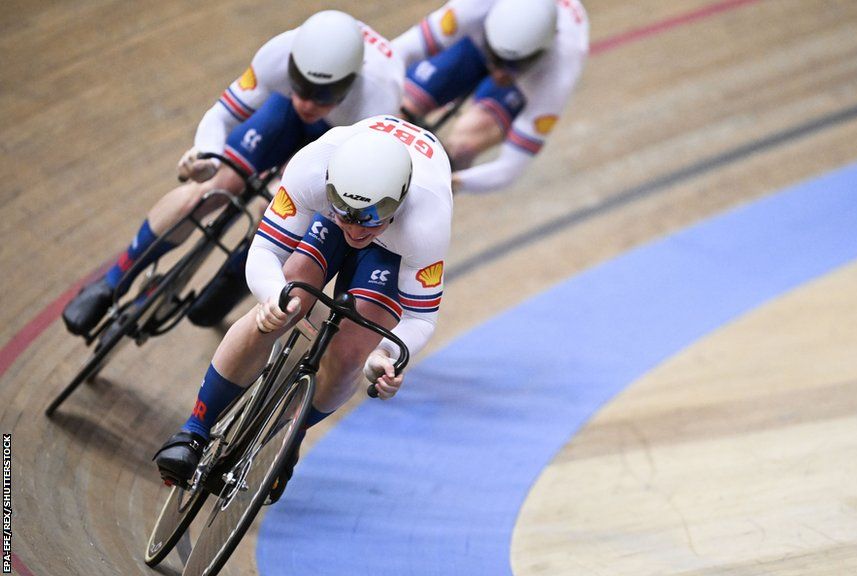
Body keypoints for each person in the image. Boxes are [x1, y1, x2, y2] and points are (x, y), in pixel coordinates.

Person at [154, 115, 452, 503]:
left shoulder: (425, 223)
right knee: (287, 303)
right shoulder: (311, 169)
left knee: (349, 355)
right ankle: (194, 429)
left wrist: (387, 354)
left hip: (392, 251)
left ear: (397, 203)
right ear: (330, 188)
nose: (356, 229)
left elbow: (420, 317)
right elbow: (264, 251)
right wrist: (274, 297)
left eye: (369, 218)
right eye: (346, 211)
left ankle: (289, 433)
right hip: (325, 217)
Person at [62, 10, 404, 335]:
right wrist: (205, 156)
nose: (308, 103)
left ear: (349, 84)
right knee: (213, 188)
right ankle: (110, 282)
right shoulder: (278, 53)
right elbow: (222, 115)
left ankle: (235, 277)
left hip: (340, 144)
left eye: (324, 95)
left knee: (280, 213)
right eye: (299, 85)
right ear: (293, 66)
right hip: (281, 118)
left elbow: (347, 180)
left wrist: (282, 193)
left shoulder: (378, 96)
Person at [391, 0, 589, 194]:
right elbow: (393, 54)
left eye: (512, 65)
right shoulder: (473, 7)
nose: (498, 73)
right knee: (402, 106)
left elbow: (509, 170)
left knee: (463, 148)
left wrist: (448, 182)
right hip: (476, 46)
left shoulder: (558, 73)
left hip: (527, 81)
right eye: (495, 59)